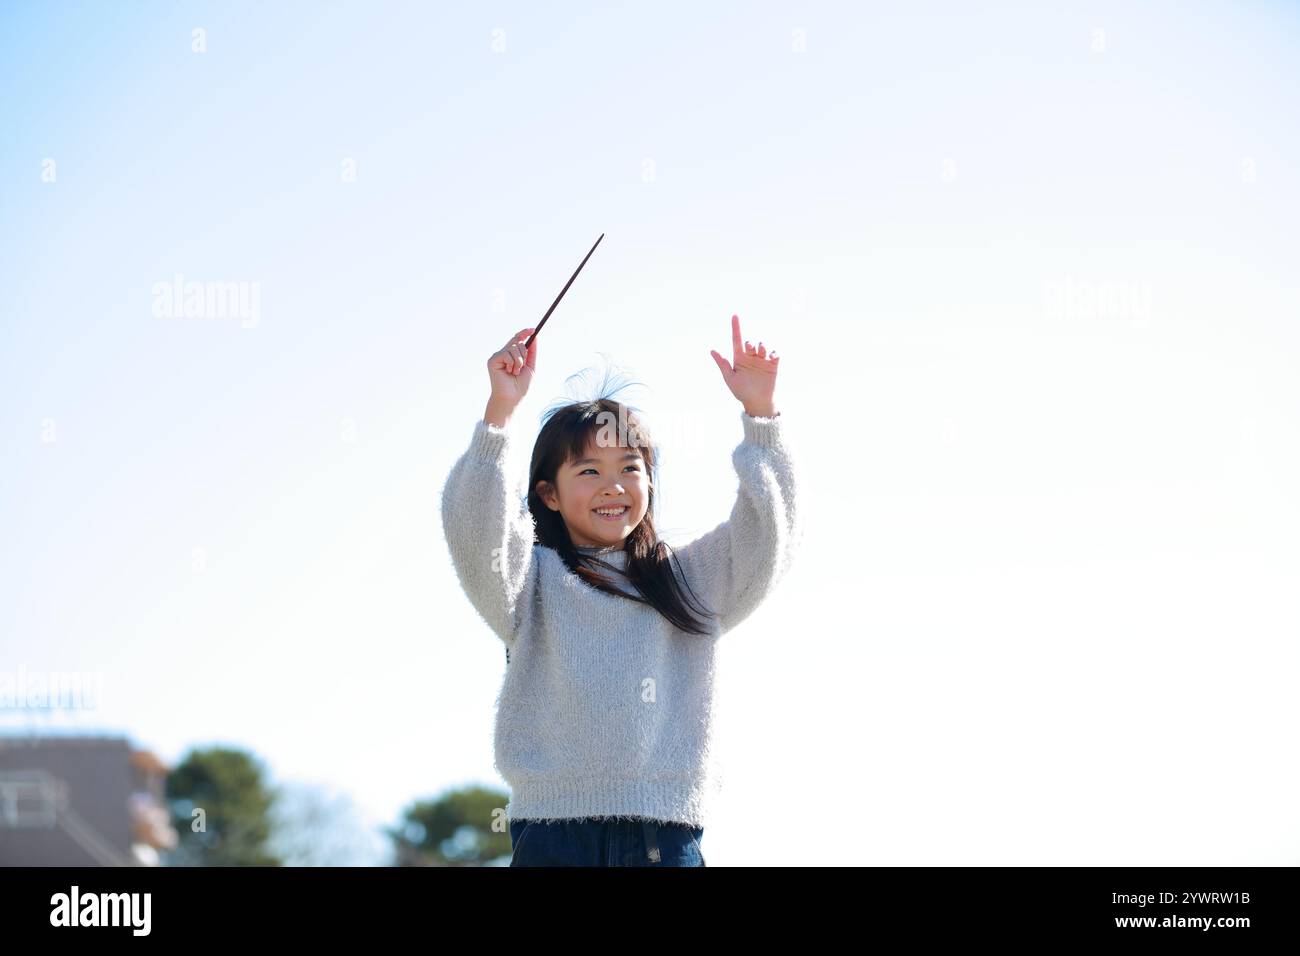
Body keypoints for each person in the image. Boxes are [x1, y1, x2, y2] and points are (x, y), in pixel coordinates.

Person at [440, 315, 799, 866]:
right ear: (550, 495)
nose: (613, 486)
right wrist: (499, 414)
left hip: (664, 838)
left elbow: (765, 541)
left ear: (649, 483)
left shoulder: (688, 579)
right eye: (587, 471)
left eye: (629, 467)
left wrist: (761, 420)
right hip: (553, 838)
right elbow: (474, 528)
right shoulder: (529, 580)